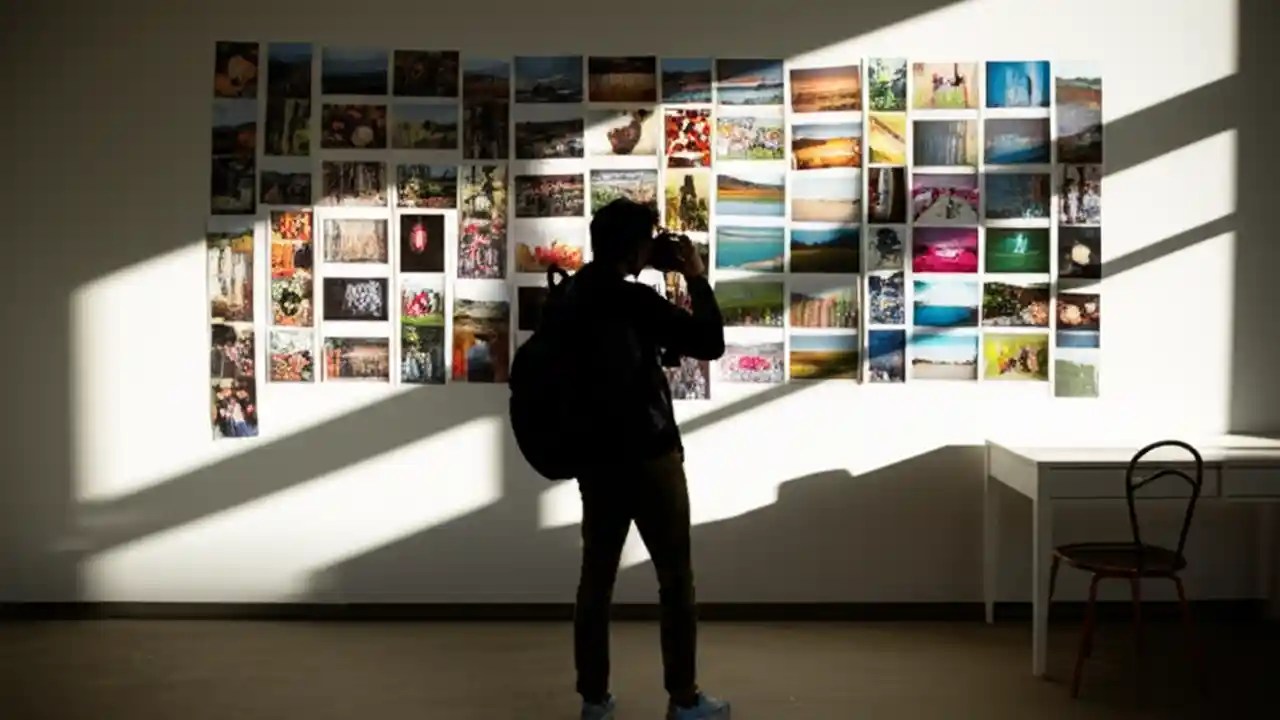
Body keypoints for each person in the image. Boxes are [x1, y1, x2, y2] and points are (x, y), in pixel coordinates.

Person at [561, 199, 729, 720]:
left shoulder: (571, 294)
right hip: (650, 455)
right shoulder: (634, 301)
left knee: (596, 581)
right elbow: (710, 342)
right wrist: (695, 275)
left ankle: (594, 700)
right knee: (675, 579)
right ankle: (683, 699)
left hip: (595, 459)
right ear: (636, 246)